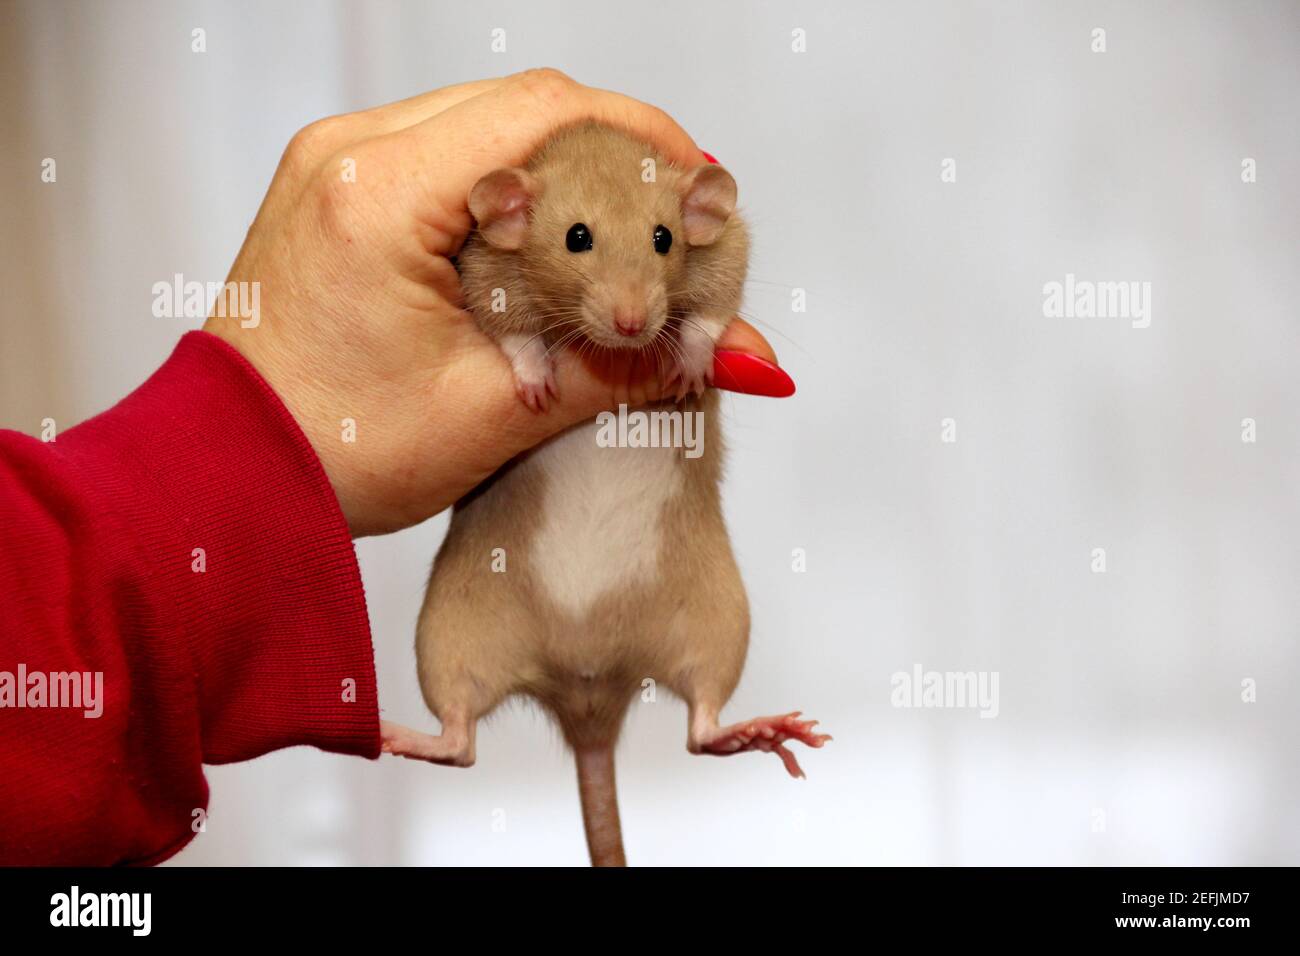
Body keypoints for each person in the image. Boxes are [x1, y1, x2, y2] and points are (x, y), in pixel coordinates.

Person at [0, 70, 789, 865]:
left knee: (712, 594)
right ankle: (456, 727)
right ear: (511, 213)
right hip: (510, 599)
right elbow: (487, 282)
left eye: (660, 242)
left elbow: (725, 260)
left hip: (665, 586)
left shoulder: (699, 248)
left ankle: (706, 717)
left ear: (695, 213)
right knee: (463, 605)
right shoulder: (503, 259)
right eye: (579, 240)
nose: (631, 310)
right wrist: (519, 346)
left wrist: (700, 329)